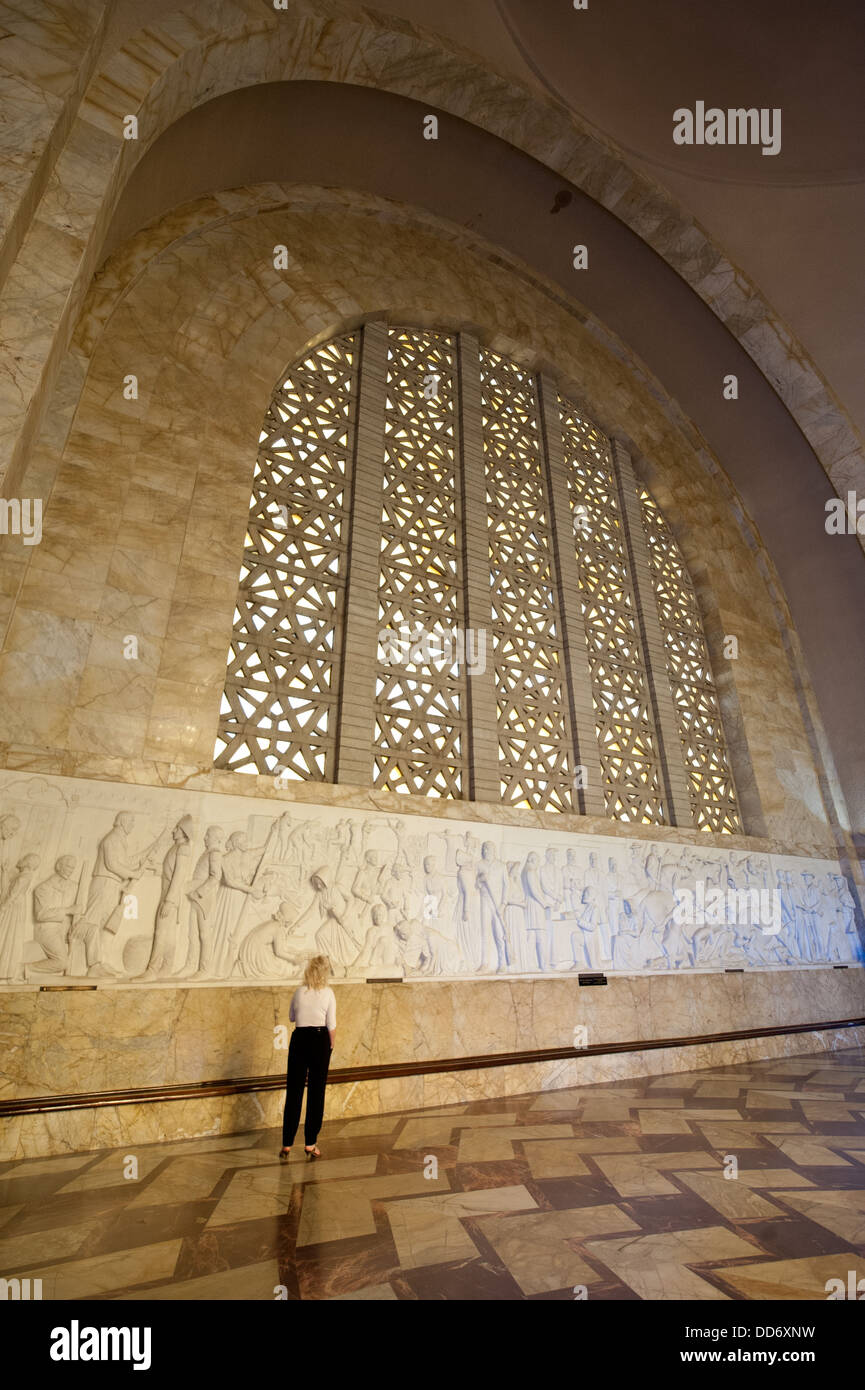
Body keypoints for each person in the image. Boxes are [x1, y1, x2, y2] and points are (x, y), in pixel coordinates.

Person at [280, 955, 336, 1161]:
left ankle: (286, 1143)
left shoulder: (298, 992)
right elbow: (332, 1024)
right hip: (320, 1040)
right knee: (316, 1092)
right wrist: (331, 1046)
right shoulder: (328, 993)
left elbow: (292, 1017)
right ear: (325, 972)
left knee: (294, 1090)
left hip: (299, 1039)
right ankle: (310, 1143)